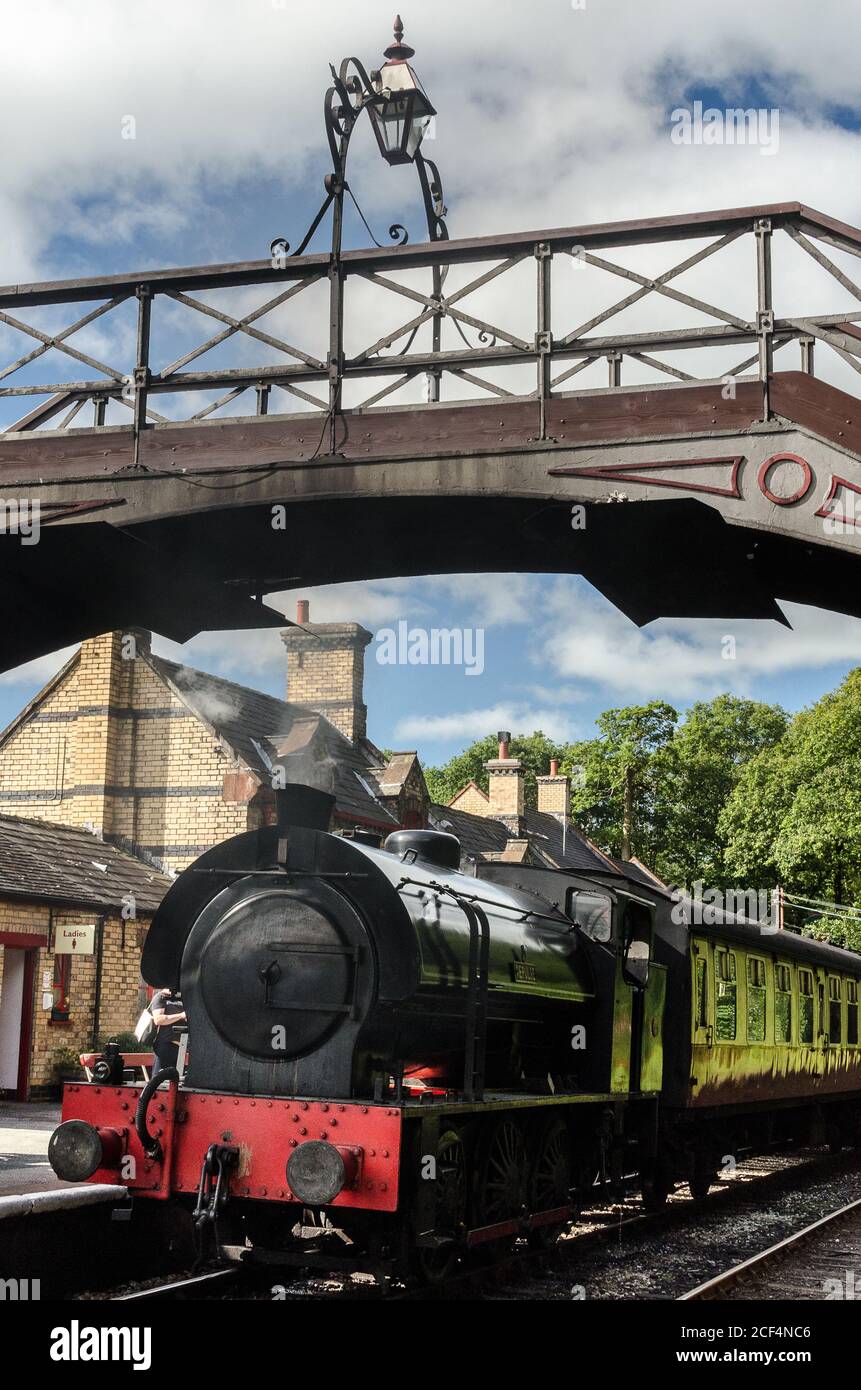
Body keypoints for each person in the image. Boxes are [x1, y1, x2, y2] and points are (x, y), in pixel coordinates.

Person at [149, 987, 187, 1078]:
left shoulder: (183, 998)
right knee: (159, 1080)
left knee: (177, 1080)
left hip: (182, 1046)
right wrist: (181, 1015)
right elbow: (158, 1019)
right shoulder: (161, 997)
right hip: (165, 1045)